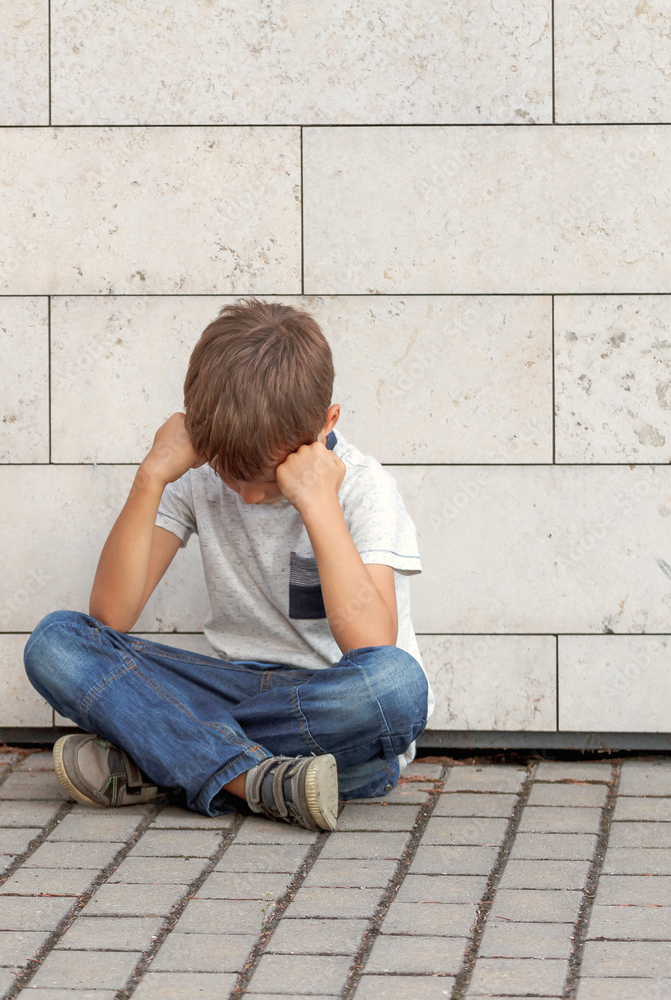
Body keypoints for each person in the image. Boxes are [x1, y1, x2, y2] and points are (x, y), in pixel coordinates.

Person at [24, 299, 431, 831]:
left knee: (398, 686)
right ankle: (253, 781)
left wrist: (318, 506)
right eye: (230, 475)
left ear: (326, 422)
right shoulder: (200, 472)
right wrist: (151, 475)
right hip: (233, 685)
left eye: (265, 478)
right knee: (57, 643)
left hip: (329, 705)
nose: (248, 496)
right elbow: (111, 616)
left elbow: (371, 644)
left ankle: (161, 757)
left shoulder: (361, 486)